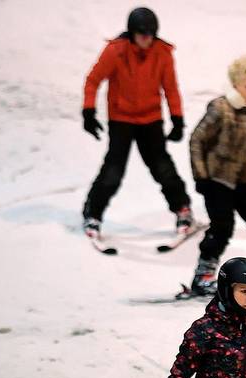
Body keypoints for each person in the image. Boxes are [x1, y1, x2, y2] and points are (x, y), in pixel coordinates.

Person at [81, 7, 194, 240]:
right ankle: (92, 213)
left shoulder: (162, 53)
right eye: (142, 34)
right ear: (132, 32)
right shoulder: (116, 51)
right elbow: (93, 80)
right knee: (113, 170)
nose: (146, 39)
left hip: (150, 119)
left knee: (162, 167)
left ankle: (183, 209)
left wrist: (177, 119)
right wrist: (89, 111)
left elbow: (170, 88)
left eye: (150, 34)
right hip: (121, 119)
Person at [188, 55, 246, 294]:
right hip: (217, 179)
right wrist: (202, 177)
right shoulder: (221, 108)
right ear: (236, 86)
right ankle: (204, 274)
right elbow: (197, 140)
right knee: (222, 226)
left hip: (245, 181)